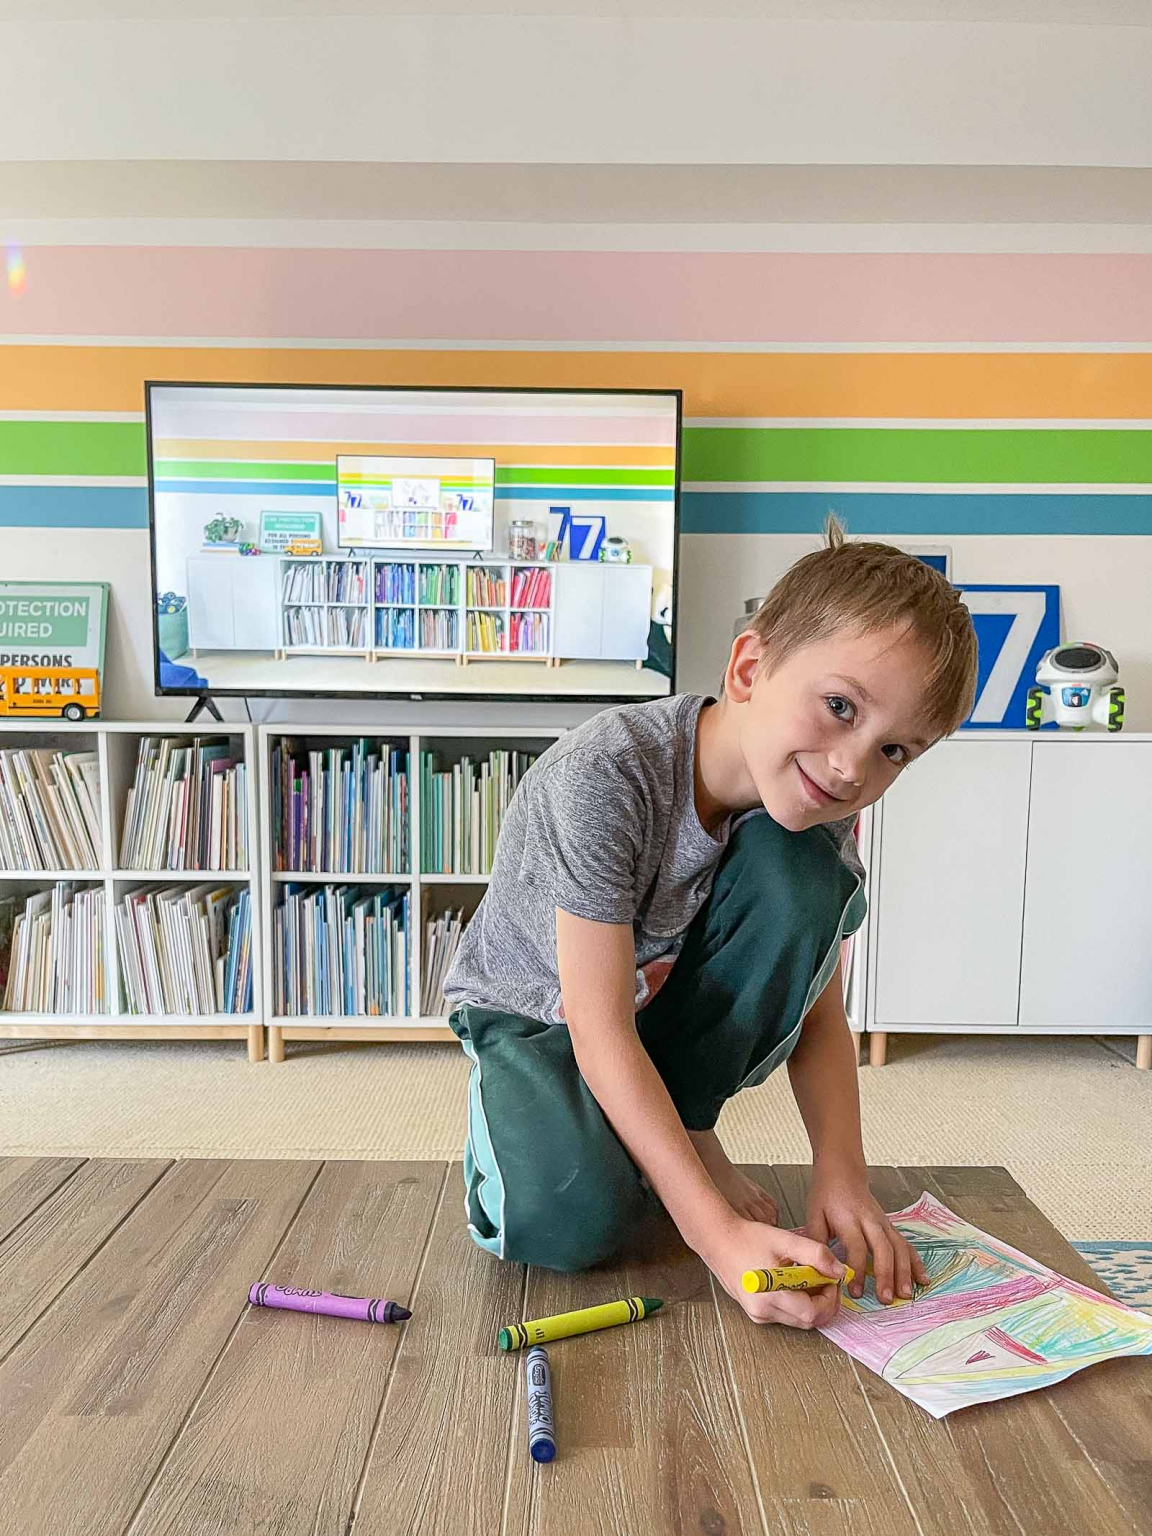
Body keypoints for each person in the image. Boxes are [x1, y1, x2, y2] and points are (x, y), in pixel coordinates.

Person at [442, 520, 978, 1330]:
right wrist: (718, 1238)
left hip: (653, 1004)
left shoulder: (819, 806)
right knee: (569, 1221)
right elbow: (596, 1025)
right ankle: (544, 1127)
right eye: (839, 708)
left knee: (805, 876)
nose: (851, 767)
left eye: (895, 751)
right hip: (541, 1018)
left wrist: (842, 1173)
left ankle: (683, 1126)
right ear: (750, 667)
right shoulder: (606, 774)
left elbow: (816, 1006)